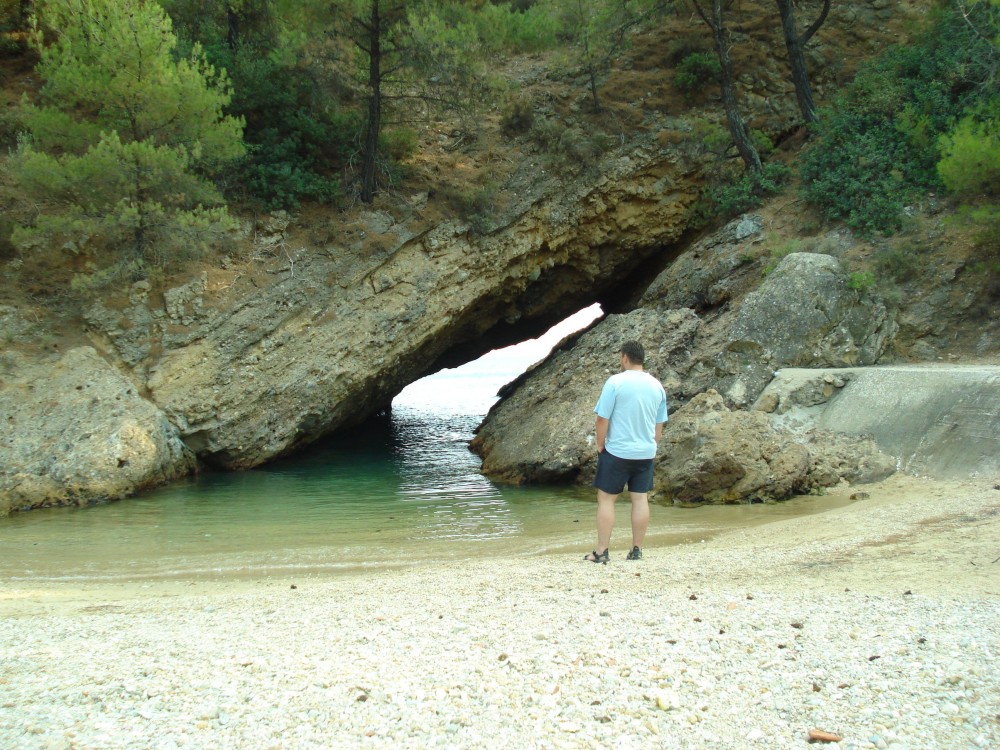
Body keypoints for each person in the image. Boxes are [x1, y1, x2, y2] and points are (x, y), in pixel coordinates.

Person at [584, 340, 668, 564]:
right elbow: (659, 423)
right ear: (642, 359)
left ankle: (602, 551)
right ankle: (636, 550)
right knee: (640, 499)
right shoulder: (657, 385)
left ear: (624, 357)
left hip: (618, 451)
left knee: (606, 499)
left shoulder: (615, 382)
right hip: (646, 452)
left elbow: (602, 418)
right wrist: (652, 445)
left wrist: (600, 444)